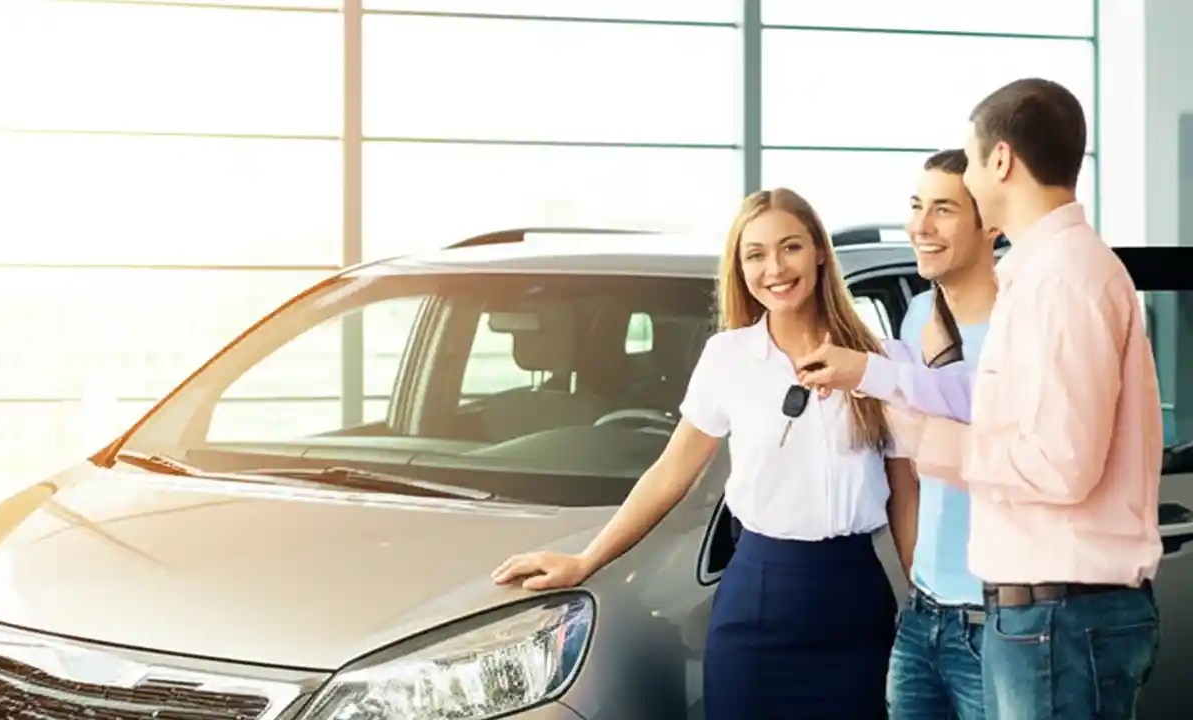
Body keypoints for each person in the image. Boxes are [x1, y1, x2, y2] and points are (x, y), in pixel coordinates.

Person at [796, 78, 1163, 720]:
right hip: (1045, 617)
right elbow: (987, 404)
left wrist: (929, 441)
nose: (965, 172)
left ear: (1001, 160)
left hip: (1059, 618)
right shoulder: (1048, 273)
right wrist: (873, 374)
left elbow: (1059, 463)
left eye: (967, 159)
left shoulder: (1063, 280)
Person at [492, 188, 917, 719]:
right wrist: (586, 560)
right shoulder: (728, 359)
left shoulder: (876, 360)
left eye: (790, 248)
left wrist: (923, 598)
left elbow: (905, 490)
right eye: (755, 255)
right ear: (740, 268)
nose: (775, 269)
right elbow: (672, 470)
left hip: (854, 599)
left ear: (819, 252)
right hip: (759, 597)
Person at [886, 148, 1001, 720]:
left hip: (999, 624)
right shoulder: (917, 321)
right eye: (916, 206)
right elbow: (906, 465)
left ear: (991, 223)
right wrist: (916, 577)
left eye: (944, 209)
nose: (921, 227)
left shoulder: (1024, 324)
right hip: (923, 617)